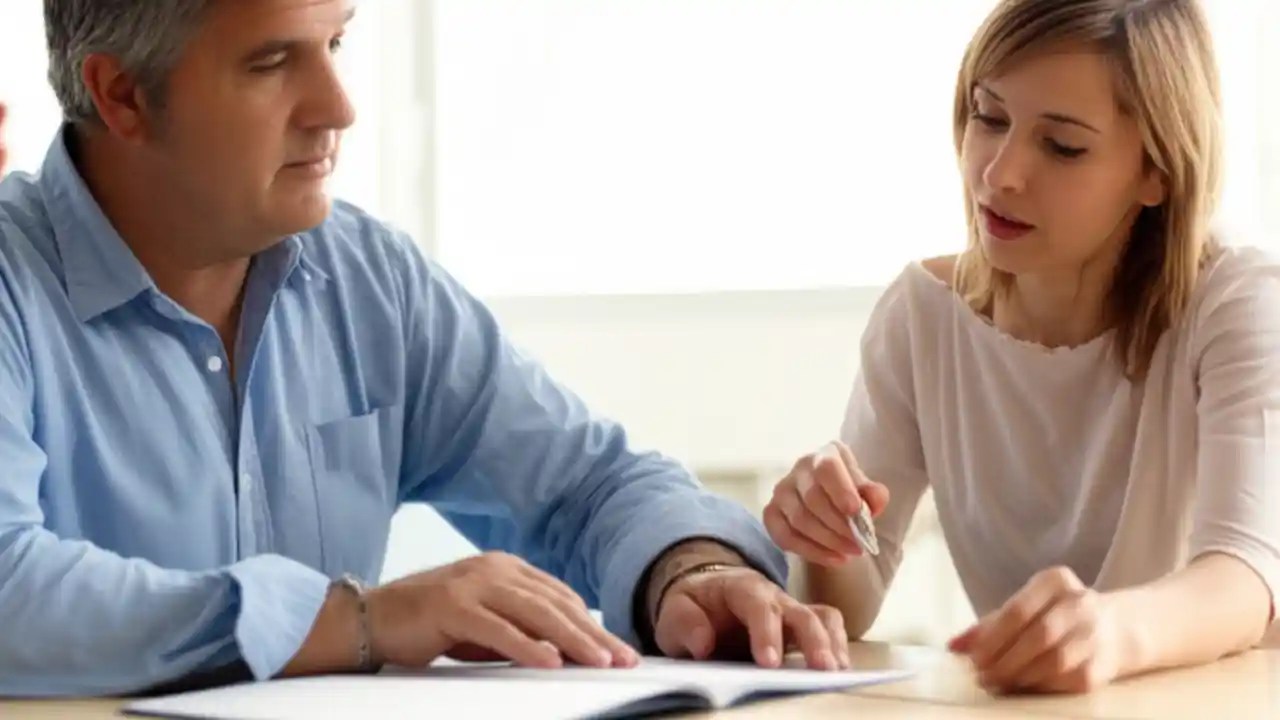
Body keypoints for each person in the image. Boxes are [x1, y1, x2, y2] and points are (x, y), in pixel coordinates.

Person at [0, 0, 849, 697]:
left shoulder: (370, 280)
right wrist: (358, 622)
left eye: (335, 43)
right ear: (121, 96)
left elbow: (586, 485)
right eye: (270, 63)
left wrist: (687, 572)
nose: (338, 105)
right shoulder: (13, 282)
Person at [765, 0, 1280, 696]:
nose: (999, 174)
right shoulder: (922, 316)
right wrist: (822, 533)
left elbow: (1245, 576)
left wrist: (1109, 629)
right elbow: (848, 609)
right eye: (990, 117)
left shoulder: (1235, 303)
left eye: (1062, 146)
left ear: (1157, 170)